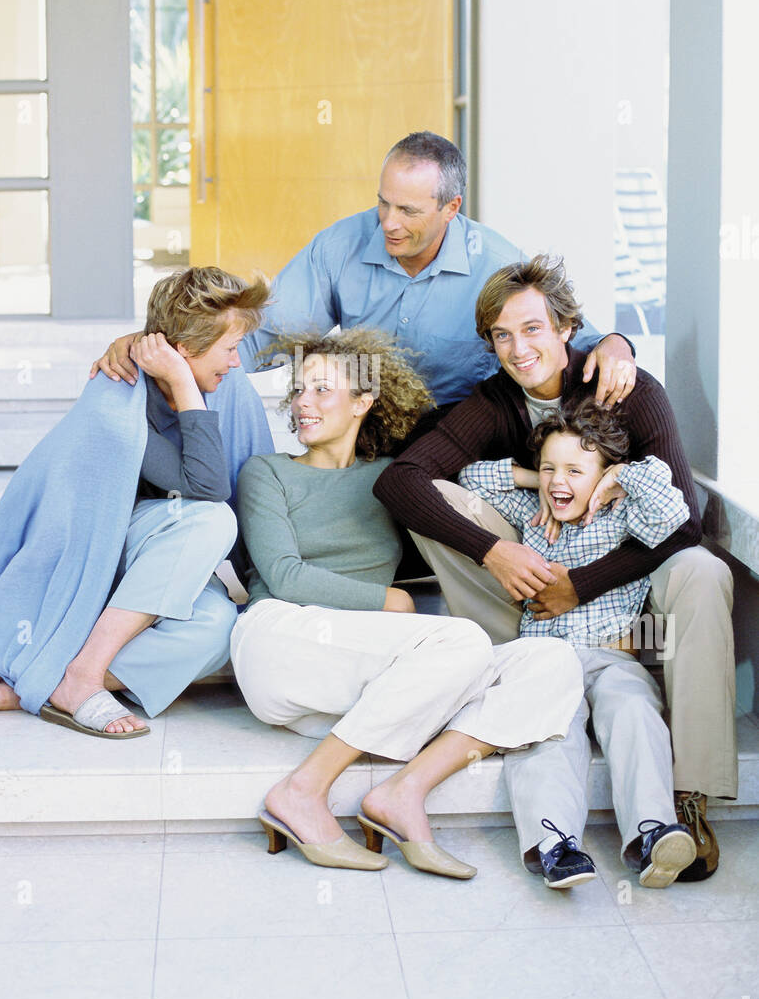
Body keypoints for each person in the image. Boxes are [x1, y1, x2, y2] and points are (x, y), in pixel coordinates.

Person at [374, 255, 736, 880]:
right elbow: (398, 480)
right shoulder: (493, 403)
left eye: (532, 329)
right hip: (537, 595)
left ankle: (685, 802)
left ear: (568, 328)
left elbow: (683, 524)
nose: (518, 349)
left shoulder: (626, 389)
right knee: (443, 499)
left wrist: (583, 583)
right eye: (502, 335)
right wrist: (496, 548)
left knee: (704, 571)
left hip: (627, 599)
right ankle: (517, 660)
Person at [231, 327, 585, 876]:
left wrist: (558, 476)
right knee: (462, 639)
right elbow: (283, 576)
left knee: (553, 661)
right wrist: (389, 599)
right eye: (299, 390)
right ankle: (303, 790)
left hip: (360, 689)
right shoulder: (266, 472)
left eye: (322, 390)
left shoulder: (388, 479)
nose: (303, 402)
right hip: (282, 638)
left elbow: (470, 478)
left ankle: (404, 791)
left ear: (363, 401)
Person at [0, 268, 272, 738]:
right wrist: (180, 380)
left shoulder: (226, 387)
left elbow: (244, 480)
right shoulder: (118, 394)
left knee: (218, 624)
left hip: (156, 554)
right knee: (209, 519)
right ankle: (85, 676)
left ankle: (42, 682)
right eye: (230, 349)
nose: (237, 363)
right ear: (184, 350)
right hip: (97, 552)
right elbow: (208, 486)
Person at [91, 131, 637, 413]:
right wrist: (163, 348)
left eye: (409, 212)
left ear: (452, 208)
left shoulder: (496, 261)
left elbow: (567, 339)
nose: (389, 224)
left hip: (460, 419)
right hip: (368, 414)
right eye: (383, 203)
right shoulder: (340, 246)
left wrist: (617, 344)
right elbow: (266, 333)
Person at [459, 395, 697, 888]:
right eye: (550, 468)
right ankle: (555, 843)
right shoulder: (532, 511)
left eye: (575, 471)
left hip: (612, 656)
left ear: (604, 474)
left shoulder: (627, 514)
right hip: (548, 663)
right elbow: (473, 479)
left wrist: (619, 478)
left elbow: (675, 512)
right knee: (548, 731)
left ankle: (651, 834)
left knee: (633, 710)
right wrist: (537, 484)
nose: (559, 481)